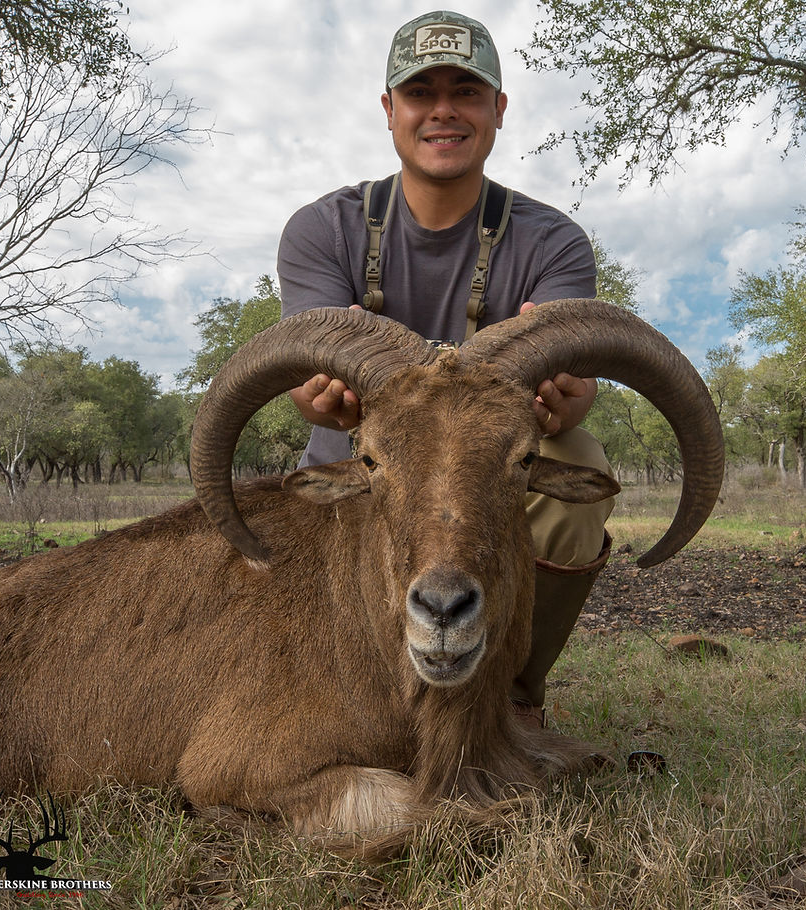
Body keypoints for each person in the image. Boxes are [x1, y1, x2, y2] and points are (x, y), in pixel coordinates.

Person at [278, 10, 614, 727]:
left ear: (497, 109)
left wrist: (569, 399)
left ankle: (512, 694)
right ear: (389, 110)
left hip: (485, 484)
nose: (442, 111)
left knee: (578, 461)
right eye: (420, 92)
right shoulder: (323, 229)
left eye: (465, 91)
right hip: (362, 482)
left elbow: (569, 398)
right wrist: (319, 398)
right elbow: (307, 386)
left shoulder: (553, 242)